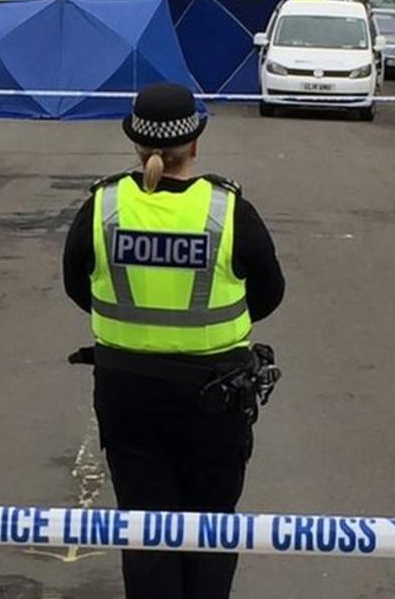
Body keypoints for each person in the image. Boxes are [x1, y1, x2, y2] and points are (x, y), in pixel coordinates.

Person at [62, 83, 286, 599]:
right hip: (215, 396)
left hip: (127, 395)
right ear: (196, 144)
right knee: (210, 529)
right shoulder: (228, 210)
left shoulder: (103, 206)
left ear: (136, 145)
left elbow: (80, 287)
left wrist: (136, 328)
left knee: (144, 532)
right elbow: (270, 293)